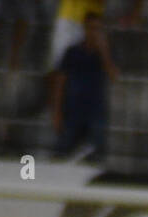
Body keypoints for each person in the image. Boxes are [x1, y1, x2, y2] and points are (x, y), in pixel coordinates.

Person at [50, 11, 117, 162]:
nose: (93, 32)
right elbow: (59, 83)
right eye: (91, 28)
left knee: (96, 155)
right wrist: (57, 112)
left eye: (97, 29)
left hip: (95, 111)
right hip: (73, 110)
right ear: (85, 29)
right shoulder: (72, 52)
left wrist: (104, 52)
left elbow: (113, 76)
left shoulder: (105, 53)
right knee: (62, 152)